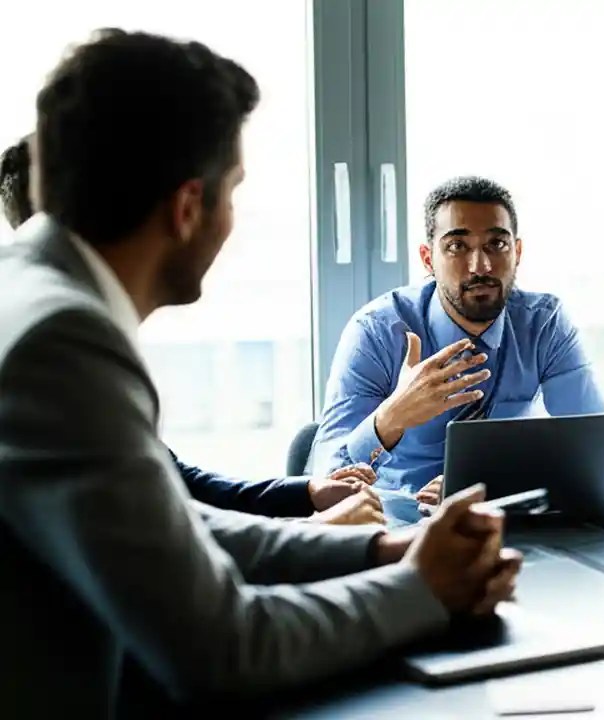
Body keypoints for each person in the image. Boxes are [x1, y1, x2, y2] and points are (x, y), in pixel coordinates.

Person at [0, 30, 521, 715]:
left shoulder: (26, 291)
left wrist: (378, 549)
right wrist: (423, 587)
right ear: (188, 209)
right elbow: (222, 650)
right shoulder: (63, 341)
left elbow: (177, 524)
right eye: (234, 191)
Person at [0, 136, 385, 526]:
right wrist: (324, 534)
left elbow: (174, 486)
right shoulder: (65, 347)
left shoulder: (54, 318)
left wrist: (306, 494)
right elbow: (162, 557)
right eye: (230, 193)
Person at [313, 175, 604, 516]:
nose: (480, 266)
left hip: (508, 522)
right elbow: (326, 475)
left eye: (496, 245)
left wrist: (492, 488)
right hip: (398, 525)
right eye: (457, 246)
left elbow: (596, 458)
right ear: (427, 259)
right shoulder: (378, 331)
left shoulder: (544, 324)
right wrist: (391, 417)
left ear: (518, 252)